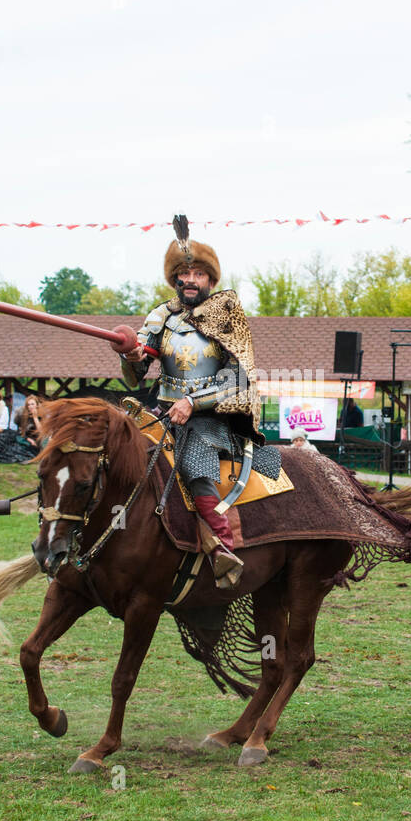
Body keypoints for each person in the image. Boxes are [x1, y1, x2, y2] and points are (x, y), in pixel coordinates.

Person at [111, 216, 277, 589]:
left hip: (210, 418)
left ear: (211, 280)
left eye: (198, 273)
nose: (190, 279)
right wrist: (130, 356)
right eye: (183, 273)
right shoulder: (161, 316)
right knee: (117, 447)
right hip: (162, 412)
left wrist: (192, 402)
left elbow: (238, 376)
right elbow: (135, 376)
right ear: (175, 279)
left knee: (192, 460)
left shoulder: (226, 314)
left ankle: (221, 546)